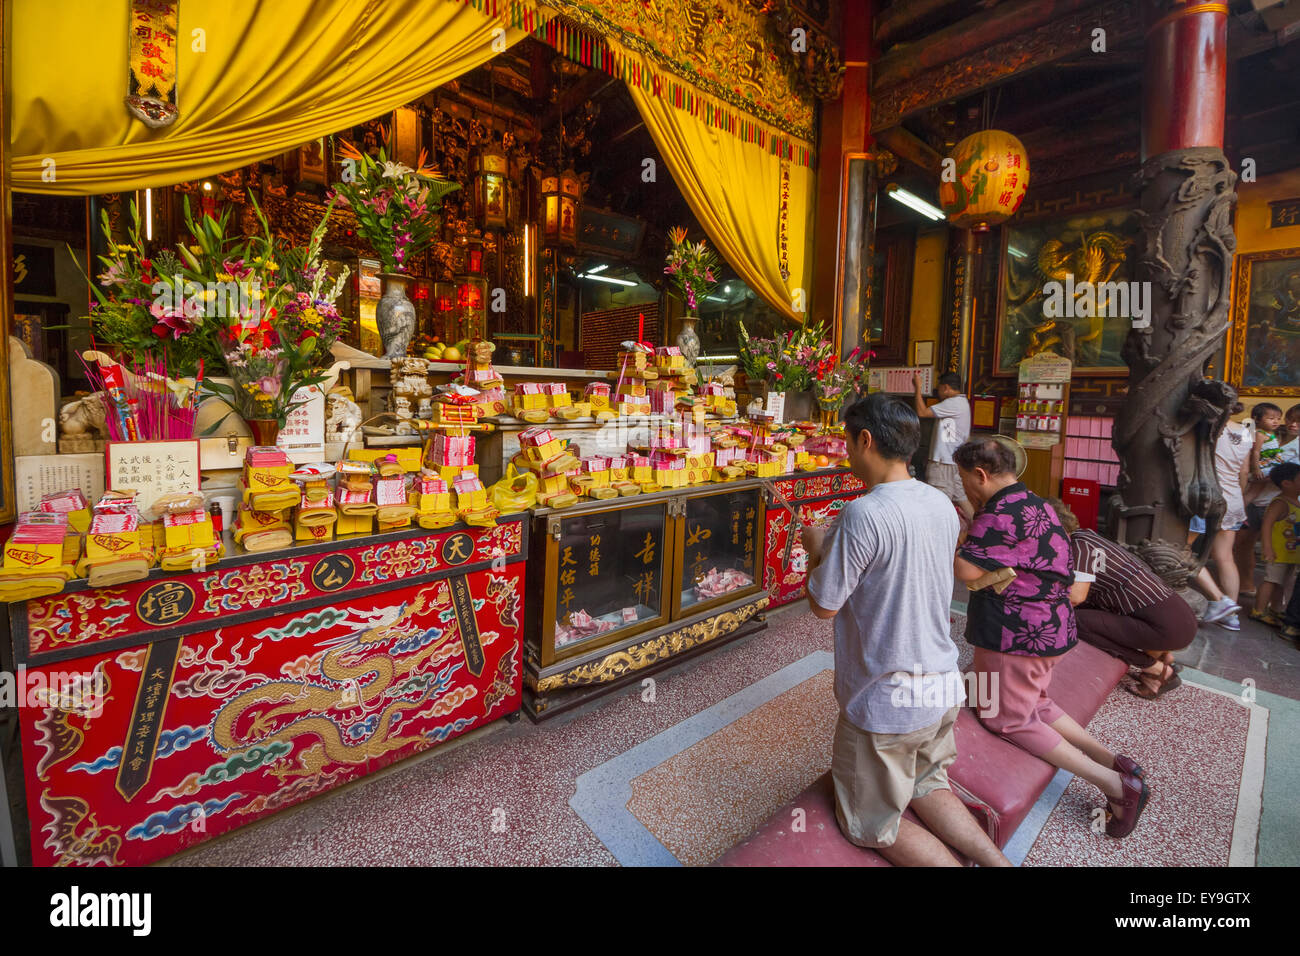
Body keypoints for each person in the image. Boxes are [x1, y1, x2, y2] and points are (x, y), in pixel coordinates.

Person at [802, 394, 1010, 867]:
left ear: (866, 440)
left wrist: (816, 549)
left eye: (848, 442)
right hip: (941, 688)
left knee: (871, 825)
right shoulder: (939, 503)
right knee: (927, 784)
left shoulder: (863, 513)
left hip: (887, 706)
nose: (847, 452)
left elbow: (824, 606)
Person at [953, 438, 1149, 838]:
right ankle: (1115, 761)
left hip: (1016, 632)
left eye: (964, 479)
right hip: (1052, 626)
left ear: (981, 475)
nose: (965, 488)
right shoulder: (1036, 501)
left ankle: (1115, 785)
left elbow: (966, 571)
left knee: (1006, 717)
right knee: (1038, 703)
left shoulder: (1000, 513)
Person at [1046, 497, 1197, 699]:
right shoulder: (1086, 538)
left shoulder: (1079, 545)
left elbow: (1075, 597)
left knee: (1073, 620)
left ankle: (1157, 671)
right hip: (1175, 617)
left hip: (1169, 624)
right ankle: (1164, 656)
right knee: (1084, 615)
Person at [1189, 403, 1252, 629]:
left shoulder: (1207, 428)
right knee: (1225, 557)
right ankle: (1230, 615)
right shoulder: (1246, 431)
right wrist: (1238, 496)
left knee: (1181, 550)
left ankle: (1218, 599)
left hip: (1207, 496)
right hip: (1233, 498)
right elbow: (1244, 472)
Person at [1236, 402, 1287, 602]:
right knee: (1255, 490)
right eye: (1271, 418)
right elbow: (1255, 453)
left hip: (1271, 473)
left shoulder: (1272, 435)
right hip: (1264, 470)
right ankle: (1240, 509)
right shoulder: (1258, 434)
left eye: (1277, 418)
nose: (1276, 422)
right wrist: (1257, 469)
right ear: (1258, 419)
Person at [912, 371, 973, 521]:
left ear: (946, 388)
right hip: (951, 462)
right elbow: (948, 435)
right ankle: (978, 530)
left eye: (938, 388)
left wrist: (918, 387)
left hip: (943, 464)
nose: (937, 392)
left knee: (936, 505)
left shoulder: (952, 403)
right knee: (962, 499)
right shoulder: (962, 403)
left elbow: (922, 412)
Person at [1253, 462, 1300, 625]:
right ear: (1287, 484)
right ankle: (1258, 610)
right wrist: (1267, 547)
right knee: (1271, 580)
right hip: (1278, 552)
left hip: (1290, 553)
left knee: (1282, 582)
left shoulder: (1295, 503)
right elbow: (1267, 524)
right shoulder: (1280, 502)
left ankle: (1276, 609)